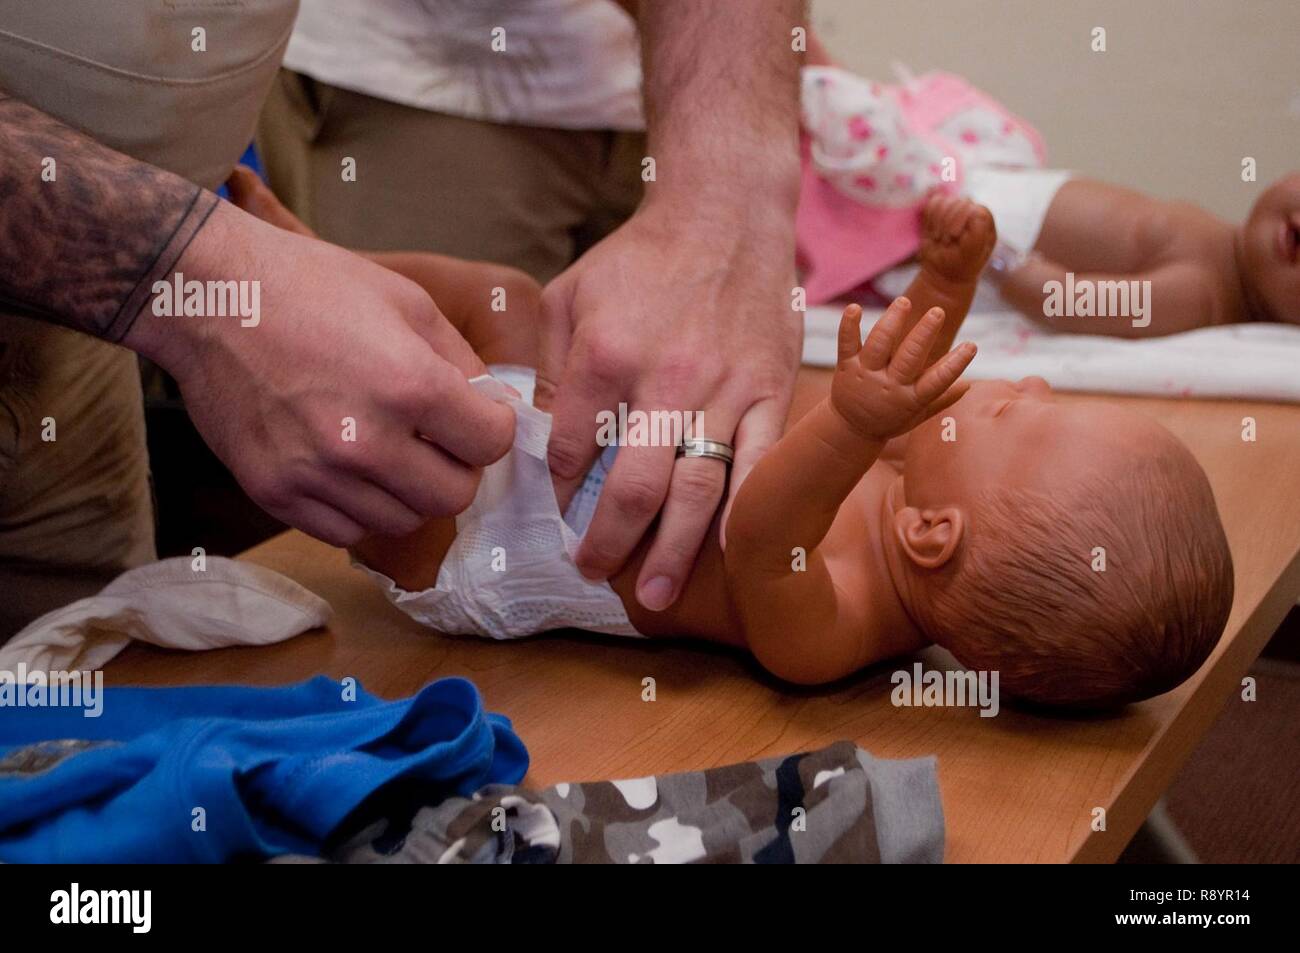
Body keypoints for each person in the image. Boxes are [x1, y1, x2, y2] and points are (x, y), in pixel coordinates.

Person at [327, 193, 1233, 708]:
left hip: (493, 542)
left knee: (386, 430)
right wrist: (949, 279)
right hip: (579, 421)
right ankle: (317, 268)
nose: (1023, 388)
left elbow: (760, 533)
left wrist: (852, 424)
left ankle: (301, 350)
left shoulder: (838, 629)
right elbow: (905, 355)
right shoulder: (913, 473)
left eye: (1013, 421)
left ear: (931, 534)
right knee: (500, 298)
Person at [257, 0, 808, 613]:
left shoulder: (862, 608)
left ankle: (295, 281)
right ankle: (306, 270)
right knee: (497, 307)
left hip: (477, 538)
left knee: (397, 398)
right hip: (438, 72)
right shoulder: (902, 499)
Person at [0, 0, 512, 632]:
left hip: (86, 332)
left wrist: (675, 203)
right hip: (144, 292)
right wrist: (201, 280)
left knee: (79, 692)